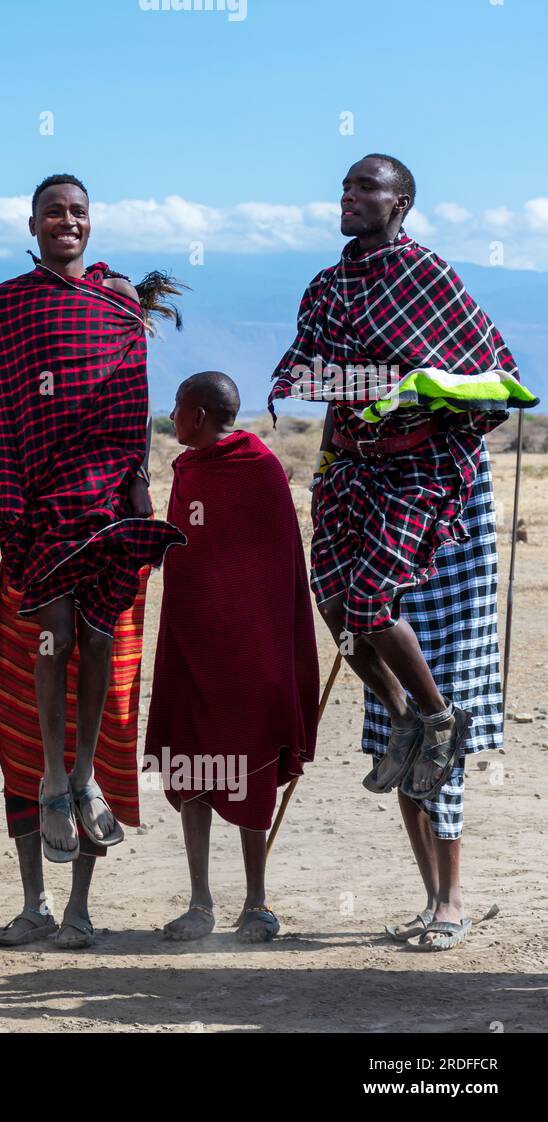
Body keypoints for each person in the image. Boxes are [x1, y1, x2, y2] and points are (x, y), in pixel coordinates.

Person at [270, 154, 537, 950]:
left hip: (429, 484)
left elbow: (500, 377)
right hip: (350, 467)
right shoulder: (326, 287)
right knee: (333, 600)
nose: (347, 197)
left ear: (403, 202)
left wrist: (421, 388)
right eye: (344, 186)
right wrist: (365, 383)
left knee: (372, 602)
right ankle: (409, 716)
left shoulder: (433, 279)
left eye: (365, 188)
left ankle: (438, 721)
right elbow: (301, 370)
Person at [0, 172, 184, 946]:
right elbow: (7, 398)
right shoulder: (12, 300)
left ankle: (82, 791)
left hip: (106, 491)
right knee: (48, 644)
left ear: (93, 224)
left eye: (79, 212)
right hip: (38, 489)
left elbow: (135, 401)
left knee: (98, 637)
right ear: (32, 222)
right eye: (54, 211)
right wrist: (13, 503)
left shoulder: (119, 300)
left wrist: (137, 489)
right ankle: (52, 801)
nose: (68, 221)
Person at [146, 372, 319, 943]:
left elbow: (278, 569)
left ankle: (257, 902)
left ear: (198, 412)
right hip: (190, 640)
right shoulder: (188, 471)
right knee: (191, 764)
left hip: (247, 651)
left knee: (249, 772)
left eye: (176, 407)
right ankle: (199, 904)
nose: (171, 417)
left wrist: (267, 648)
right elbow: (181, 552)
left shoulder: (258, 470)